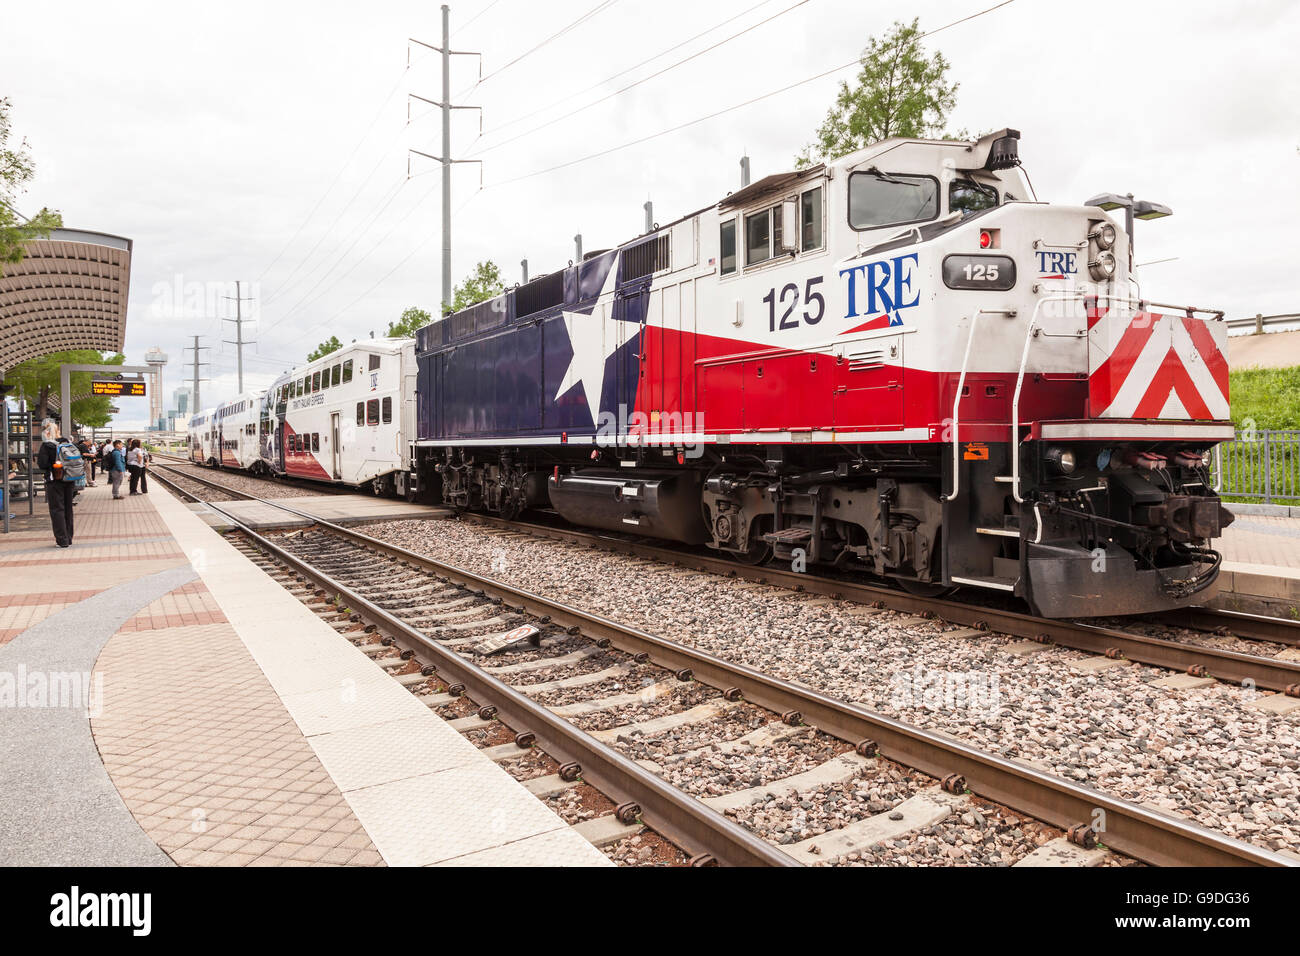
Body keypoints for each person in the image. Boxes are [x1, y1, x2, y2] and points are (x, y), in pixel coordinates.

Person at [35, 419, 80, 548]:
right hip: (69, 478)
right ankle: (69, 537)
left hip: (54, 480)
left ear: (47, 433)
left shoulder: (47, 445)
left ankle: (62, 540)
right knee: (68, 508)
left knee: (57, 509)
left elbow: (43, 464)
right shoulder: (67, 442)